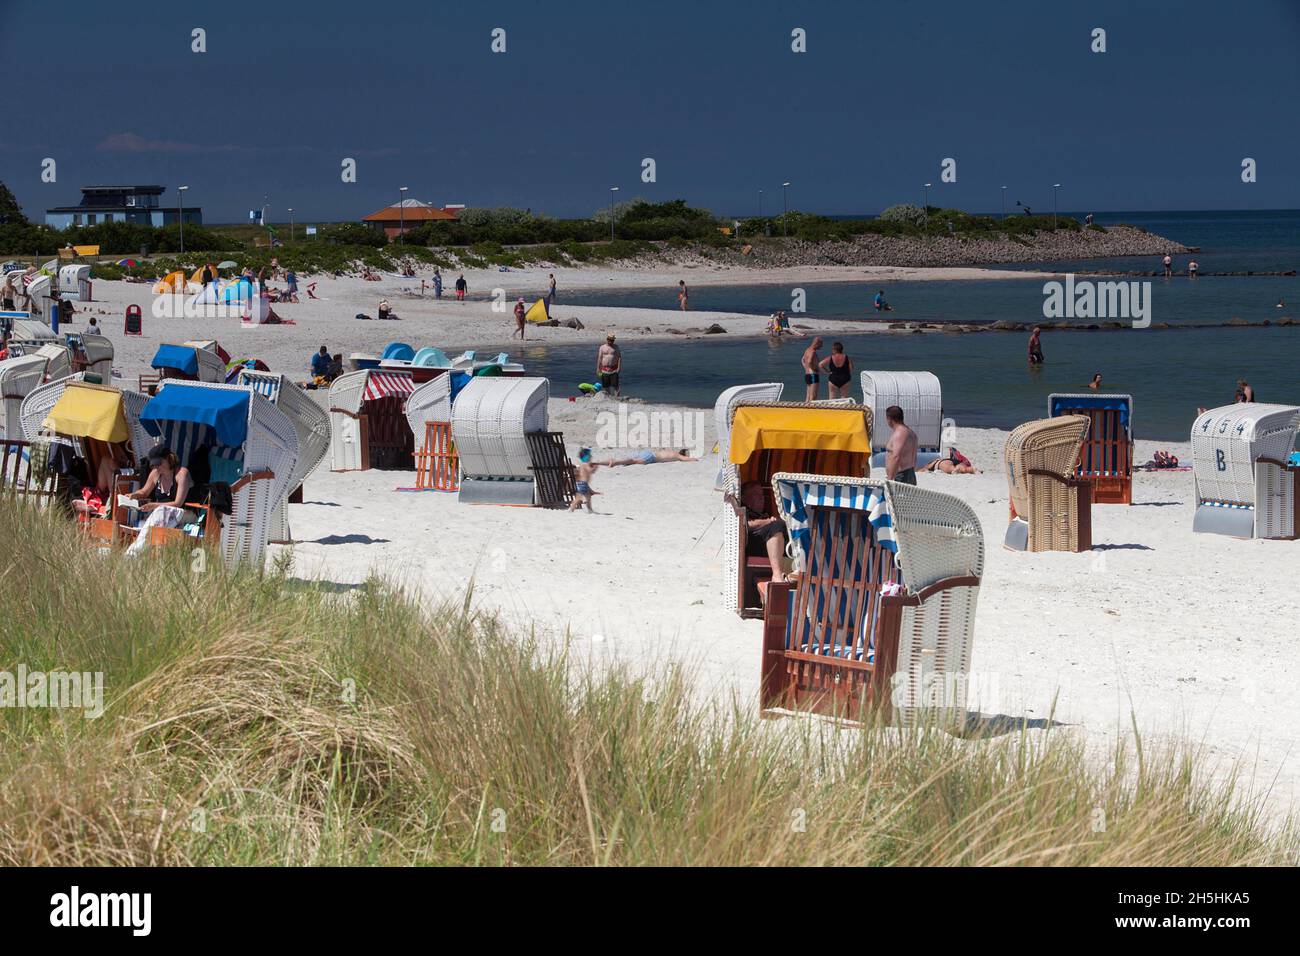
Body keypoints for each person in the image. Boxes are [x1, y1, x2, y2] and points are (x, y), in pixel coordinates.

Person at [739, 481, 788, 584]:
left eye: (762, 495)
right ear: (744, 498)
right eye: (756, 495)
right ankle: (777, 575)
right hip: (751, 544)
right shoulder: (742, 510)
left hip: (768, 544)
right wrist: (768, 521)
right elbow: (745, 525)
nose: (762, 498)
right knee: (776, 526)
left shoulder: (763, 513)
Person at [884, 405, 918, 485]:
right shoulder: (911, 433)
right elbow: (914, 457)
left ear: (889, 419)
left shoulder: (900, 433)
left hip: (901, 476)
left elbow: (896, 456)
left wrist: (890, 478)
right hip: (910, 473)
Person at [568, 448, 599, 513]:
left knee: (588, 497)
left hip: (582, 483)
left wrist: (594, 468)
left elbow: (591, 471)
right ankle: (571, 509)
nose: (591, 457)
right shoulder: (585, 464)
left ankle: (590, 510)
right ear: (586, 457)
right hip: (583, 483)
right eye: (590, 455)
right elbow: (590, 471)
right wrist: (595, 467)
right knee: (578, 497)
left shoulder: (582, 464)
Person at [606, 448, 699, 466]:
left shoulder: (673, 452)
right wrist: (694, 459)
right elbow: (685, 459)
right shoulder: (678, 456)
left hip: (649, 453)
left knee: (632, 460)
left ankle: (617, 462)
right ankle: (616, 462)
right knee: (633, 461)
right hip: (651, 457)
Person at [801, 337, 823, 401]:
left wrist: (805, 367)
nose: (821, 347)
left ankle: (804, 410)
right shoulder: (812, 352)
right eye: (820, 345)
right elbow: (810, 361)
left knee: (808, 396)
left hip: (807, 375)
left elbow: (803, 360)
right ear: (817, 344)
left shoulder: (807, 350)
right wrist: (814, 368)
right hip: (813, 375)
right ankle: (811, 410)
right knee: (813, 396)